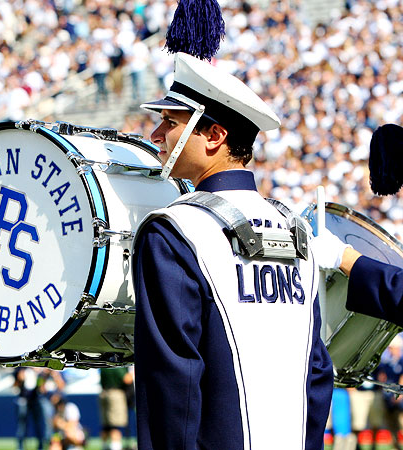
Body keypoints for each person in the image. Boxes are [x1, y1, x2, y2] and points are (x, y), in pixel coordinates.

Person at [132, 52, 332, 449]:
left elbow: (172, 379)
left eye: (170, 123)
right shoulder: (298, 231)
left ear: (214, 136)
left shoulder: (175, 230)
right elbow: (317, 373)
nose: (156, 135)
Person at [98, 367, 131, 450]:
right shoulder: (117, 366)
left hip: (103, 393)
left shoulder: (103, 365)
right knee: (114, 426)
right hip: (115, 394)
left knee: (106, 426)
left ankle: (104, 446)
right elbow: (126, 379)